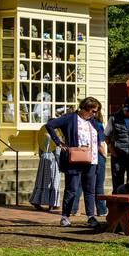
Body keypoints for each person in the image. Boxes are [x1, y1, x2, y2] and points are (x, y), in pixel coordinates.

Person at [45, 97, 106, 228]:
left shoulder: (94, 122)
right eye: (93, 111)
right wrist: (59, 142)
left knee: (90, 189)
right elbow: (50, 125)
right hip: (74, 159)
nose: (94, 114)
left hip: (92, 159)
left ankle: (91, 216)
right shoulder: (70, 118)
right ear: (85, 108)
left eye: (96, 111)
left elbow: (99, 138)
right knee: (71, 189)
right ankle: (65, 216)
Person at [90, 101, 109, 216]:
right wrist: (105, 154)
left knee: (82, 184)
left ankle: (73, 208)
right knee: (99, 185)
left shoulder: (85, 123)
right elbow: (99, 143)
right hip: (98, 156)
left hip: (86, 156)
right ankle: (101, 210)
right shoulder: (98, 124)